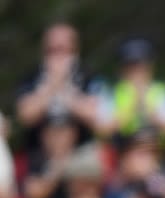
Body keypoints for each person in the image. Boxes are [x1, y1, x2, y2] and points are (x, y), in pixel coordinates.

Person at [15, 23, 103, 159]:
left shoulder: (88, 76)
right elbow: (26, 116)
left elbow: (94, 117)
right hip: (39, 152)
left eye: (62, 49)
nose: (56, 55)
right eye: (51, 50)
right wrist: (51, 86)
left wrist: (65, 89)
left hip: (80, 151)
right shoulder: (31, 77)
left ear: (74, 50)